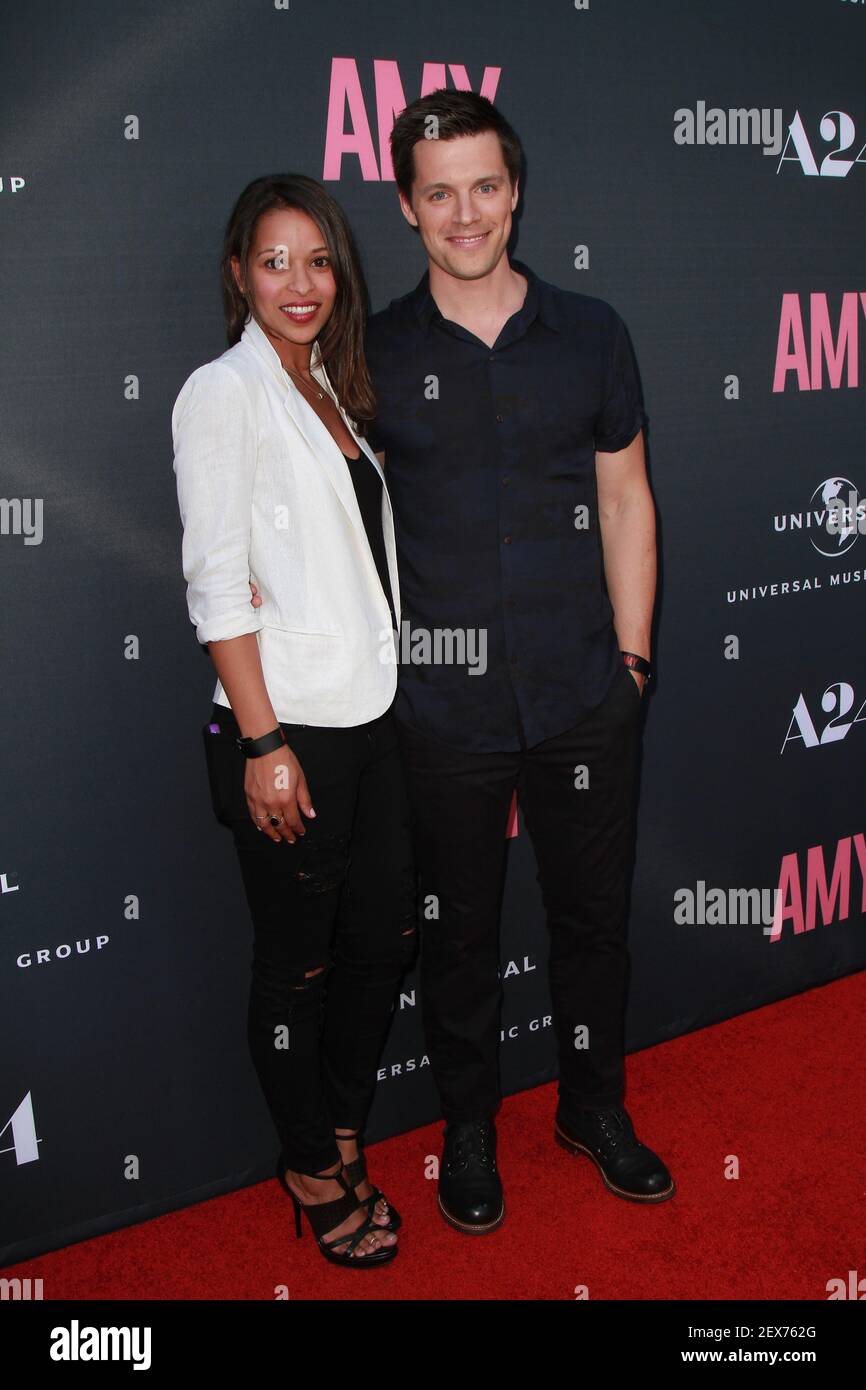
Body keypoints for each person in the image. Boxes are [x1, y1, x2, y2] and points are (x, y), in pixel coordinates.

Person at [361, 91, 674, 1232]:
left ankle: (591, 1106)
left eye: (482, 186)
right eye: (436, 191)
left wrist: (631, 663)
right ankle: (468, 1130)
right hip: (441, 707)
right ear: (404, 205)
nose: (463, 212)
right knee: (457, 933)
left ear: (515, 192)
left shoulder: (591, 332)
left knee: (592, 924)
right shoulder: (374, 351)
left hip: (584, 690)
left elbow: (627, 496)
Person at [171, 174, 416, 1266]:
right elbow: (216, 584)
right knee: (297, 965)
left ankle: (341, 1126)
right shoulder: (222, 392)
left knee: (381, 939)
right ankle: (311, 1167)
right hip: (289, 735)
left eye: (316, 259)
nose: (299, 281)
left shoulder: (327, 380)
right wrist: (264, 745)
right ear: (238, 274)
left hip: (369, 715)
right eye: (275, 261)